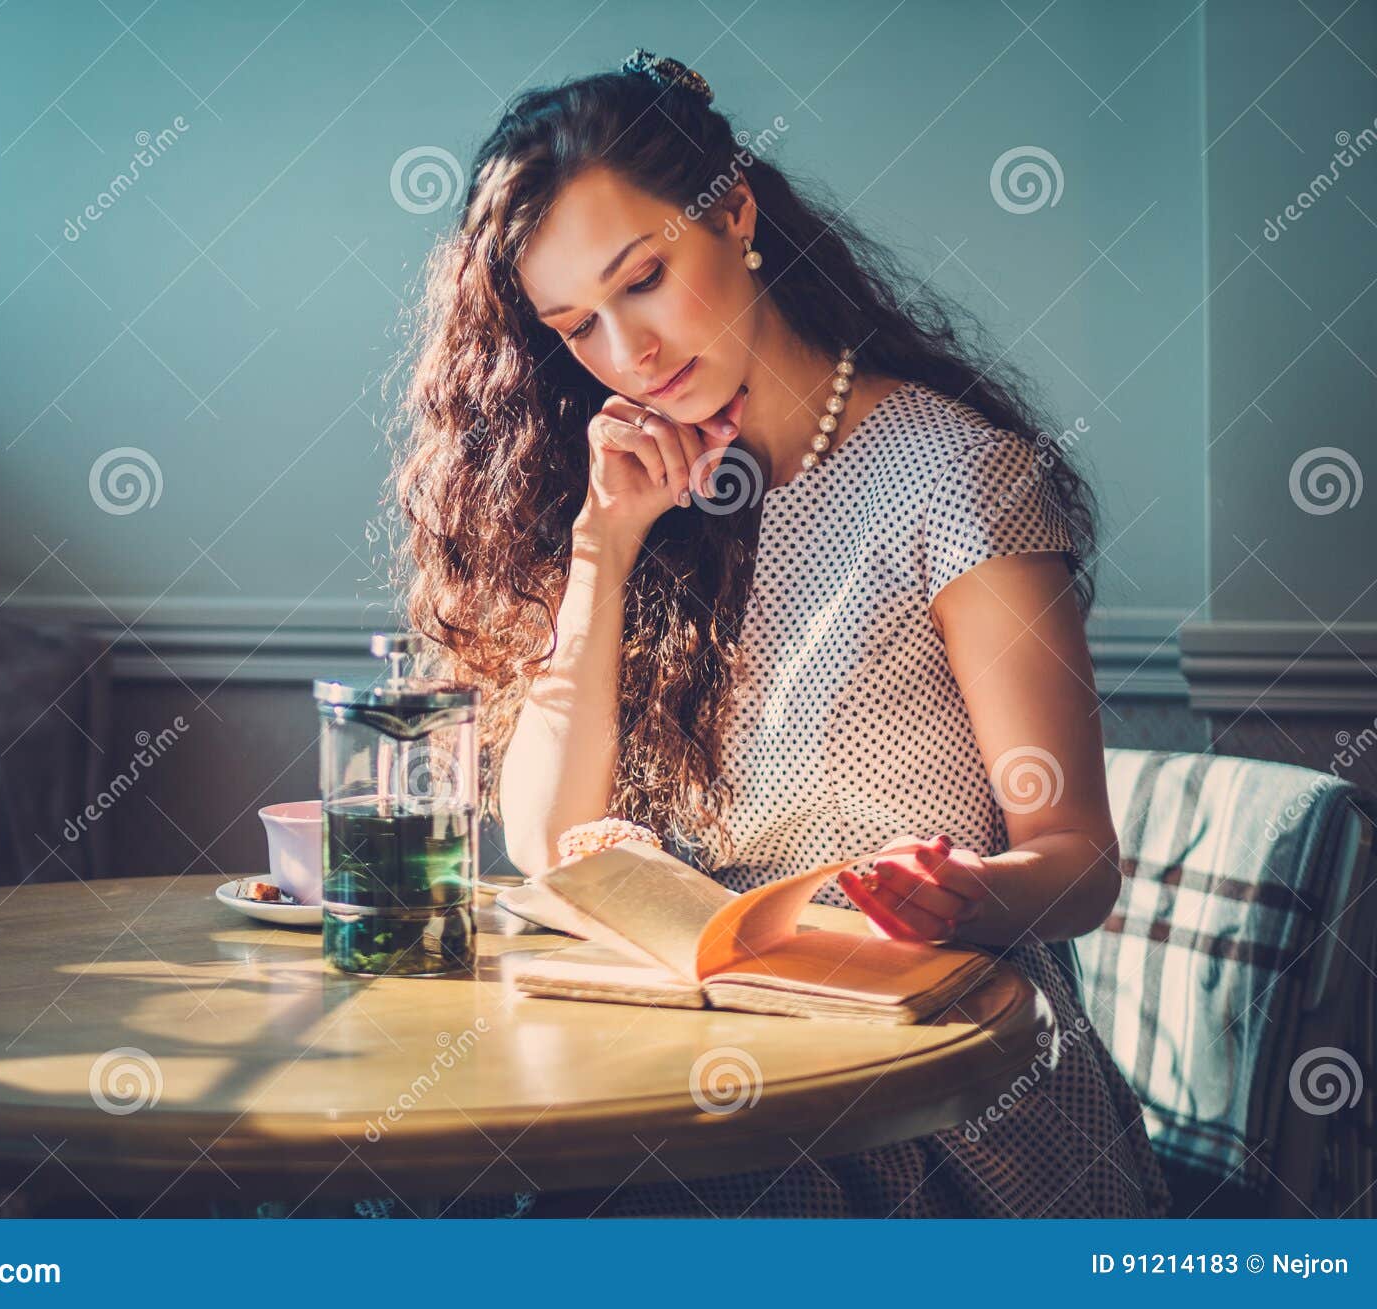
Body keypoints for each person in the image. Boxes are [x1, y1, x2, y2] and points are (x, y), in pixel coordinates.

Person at [371, 49, 1171, 1218]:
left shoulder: (954, 477)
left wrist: (963, 894)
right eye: (575, 325)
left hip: (925, 1087)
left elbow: (1077, 859)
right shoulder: (637, 487)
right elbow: (545, 841)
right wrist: (606, 544)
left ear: (734, 210)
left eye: (642, 277)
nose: (626, 352)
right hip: (683, 1074)